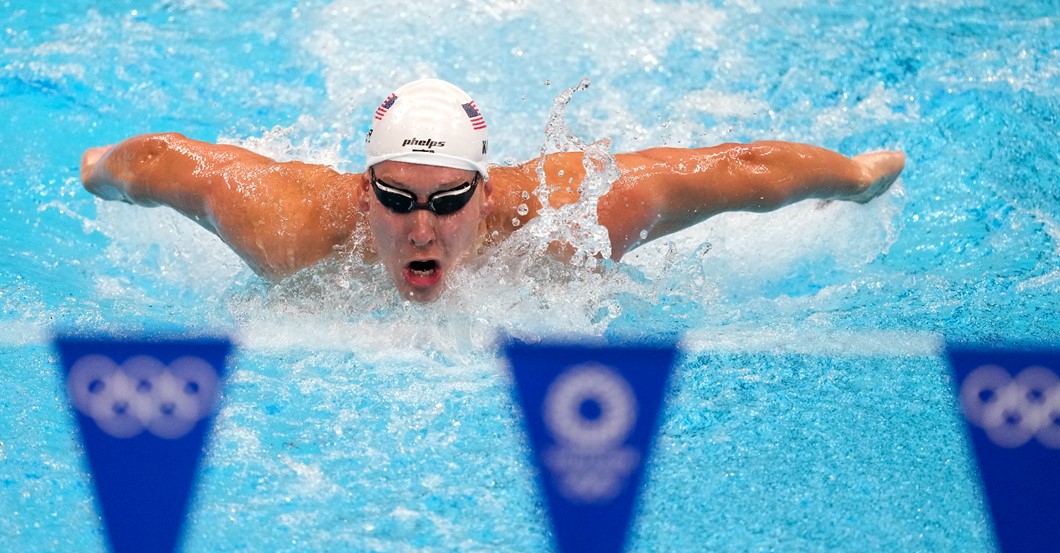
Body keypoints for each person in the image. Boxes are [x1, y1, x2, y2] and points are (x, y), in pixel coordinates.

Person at [80, 79, 905, 302]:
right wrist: (98, 170)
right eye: (396, 199)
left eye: (448, 202)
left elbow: (736, 170)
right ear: (363, 192)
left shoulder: (563, 217)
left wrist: (857, 179)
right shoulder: (291, 227)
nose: (421, 228)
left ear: (484, 193)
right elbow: (162, 161)